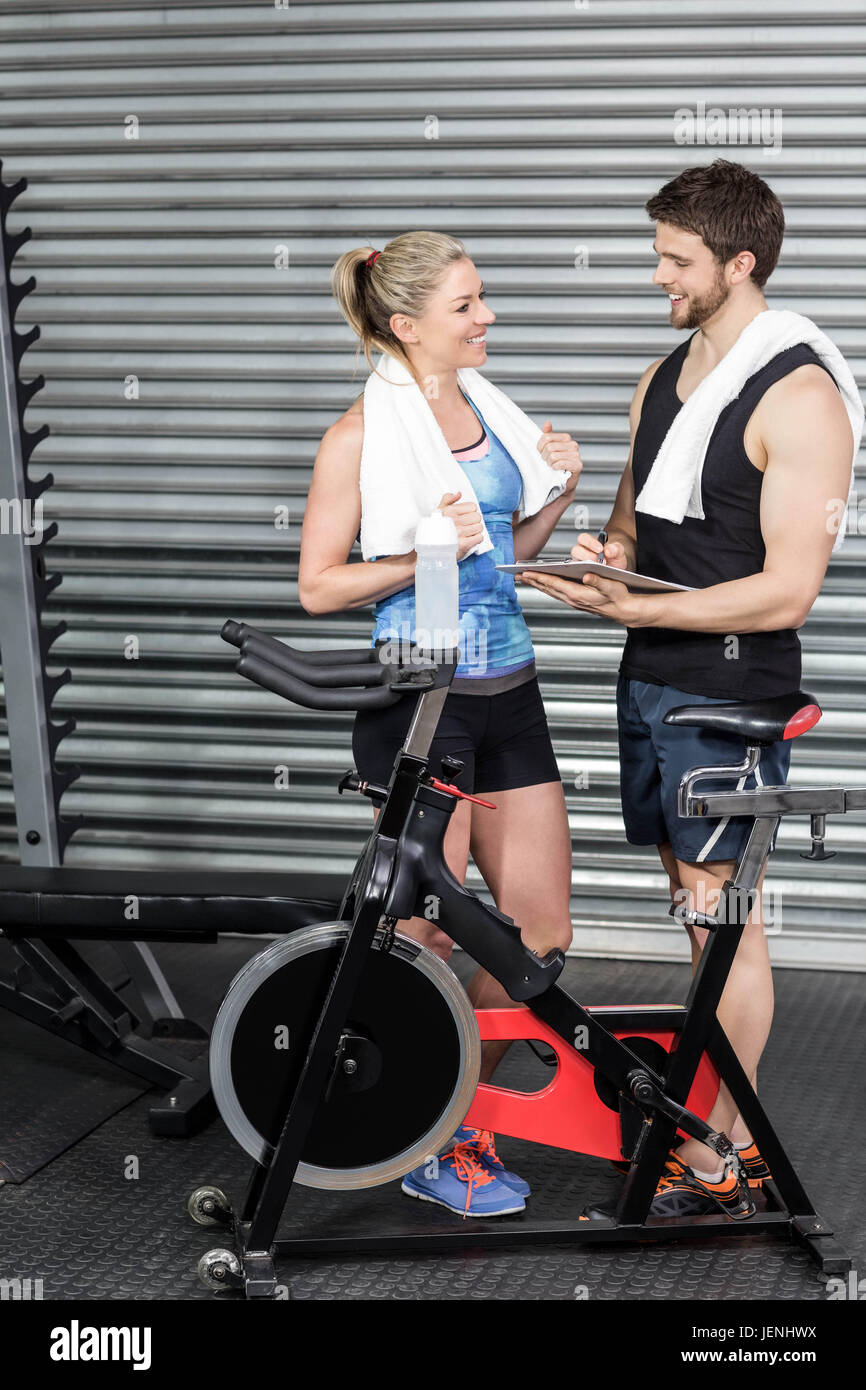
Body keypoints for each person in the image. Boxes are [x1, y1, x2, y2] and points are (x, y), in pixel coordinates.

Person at [521, 159, 859, 1218]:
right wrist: (607, 556)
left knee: (725, 929)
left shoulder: (799, 397)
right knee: (696, 918)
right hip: (654, 677)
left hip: (730, 695)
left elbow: (788, 590)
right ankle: (713, 1136)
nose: (657, 275)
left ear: (738, 262)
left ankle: (717, 1156)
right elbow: (636, 521)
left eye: (675, 259)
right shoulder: (662, 377)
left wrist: (642, 612)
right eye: (656, 254)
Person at [298, 231, 580, 1216]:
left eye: (481, 295)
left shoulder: (490, 413)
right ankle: (414, 1127)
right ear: (407, 325)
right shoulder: (357, 437)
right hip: (422, 701)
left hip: (511, 692)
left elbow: (500, 554)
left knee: (536, 935)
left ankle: (460, 1122)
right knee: (421, 934)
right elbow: (318, 585)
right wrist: (418, 550)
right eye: (466, 305)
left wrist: (559, 490)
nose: (487, 315)